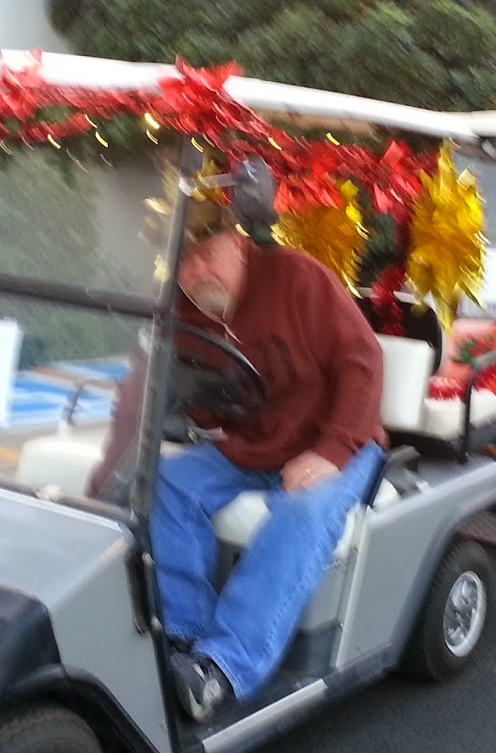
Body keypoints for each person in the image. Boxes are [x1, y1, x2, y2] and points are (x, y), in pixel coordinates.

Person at [90, 176, 387, 721]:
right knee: (167, 483)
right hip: (253, 446)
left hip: (336, 441)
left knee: (302, 514)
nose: (196, 272)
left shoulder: (298, 278)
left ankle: (224, 666)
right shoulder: (180, 310)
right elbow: (137, 395)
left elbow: (363, 361)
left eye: (206, 254)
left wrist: (333, 449)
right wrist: (100, 486)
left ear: (238, 242)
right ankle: (183, 636)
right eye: (183, 263)